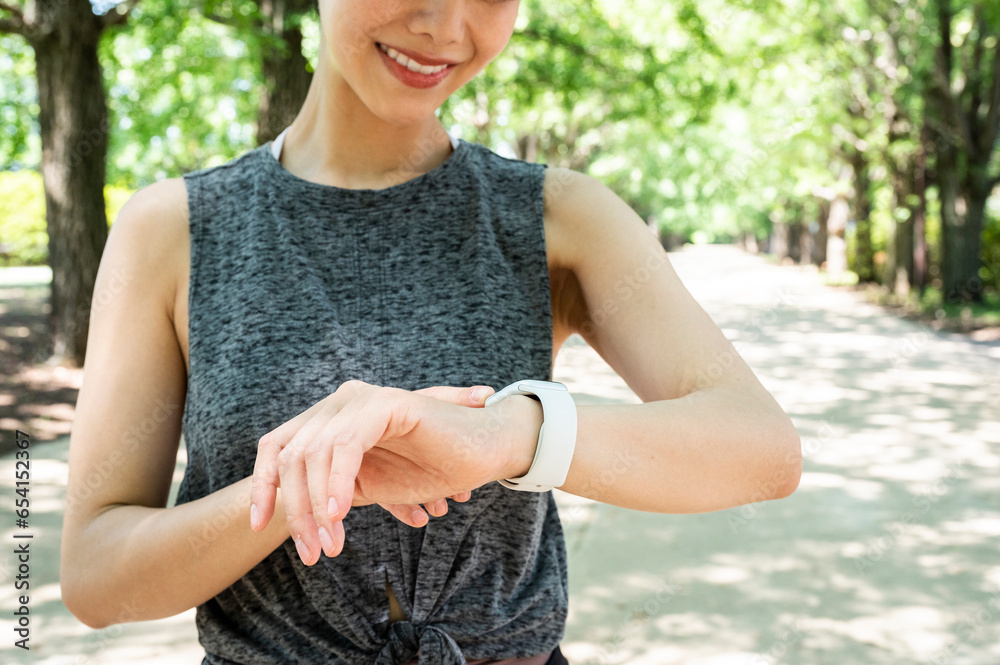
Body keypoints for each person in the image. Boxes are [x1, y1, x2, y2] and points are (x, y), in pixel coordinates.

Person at [60, 1, 803, 663]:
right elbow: (95, 575)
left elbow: (761, 448)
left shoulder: (558, 219)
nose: (446, 26)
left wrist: (507, 434)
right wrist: (309, 486)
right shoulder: (175, 231)